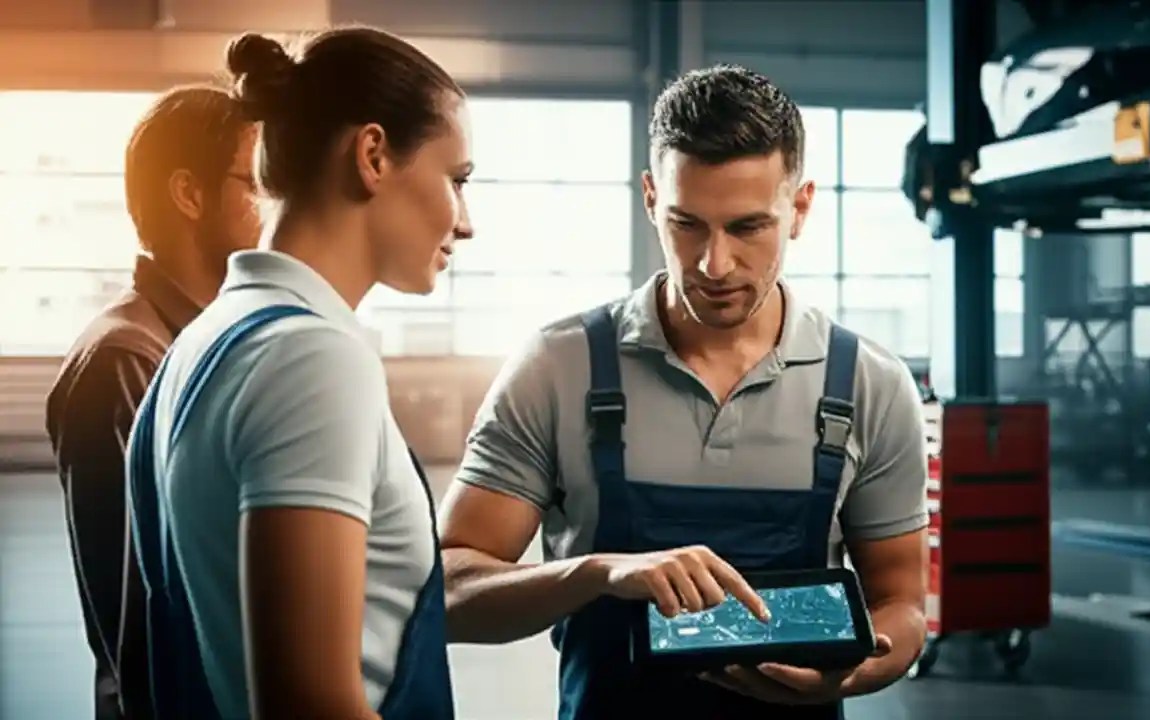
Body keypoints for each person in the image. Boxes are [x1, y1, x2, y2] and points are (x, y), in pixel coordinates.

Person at [438, 64, 928, 719]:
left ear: (800, 208)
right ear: (649, 199)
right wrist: (599, 573)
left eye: (748, 227)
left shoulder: (870, 384)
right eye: (687, 224)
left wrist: (858, 670)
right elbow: (445, 592)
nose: (714, 265)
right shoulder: (559, 369)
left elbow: (903, 604)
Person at [124, 28, 473, 720]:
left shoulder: (202, 344)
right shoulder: (311, 359)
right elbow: (308, 705)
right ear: (373, 155)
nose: (465, 222)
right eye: (457, 180)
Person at [45, 85, 260, 719]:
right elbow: (139, 614)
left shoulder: (200, 341)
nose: (275, 209)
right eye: (256, 184)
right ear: (190, 194)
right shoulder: (125, 360)